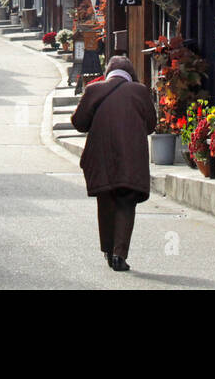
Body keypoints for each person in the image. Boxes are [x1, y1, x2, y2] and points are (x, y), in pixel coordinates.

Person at [70, 55, 156, 272]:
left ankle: (108, 250)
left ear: (108, 73)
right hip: (131, 157)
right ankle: (120, 254)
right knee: (126, 202)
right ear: (131, 74)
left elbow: (79, 123)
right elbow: (151, 125)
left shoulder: (93, 90)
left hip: (101, 157)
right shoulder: (140, 91)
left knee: (105, 200)